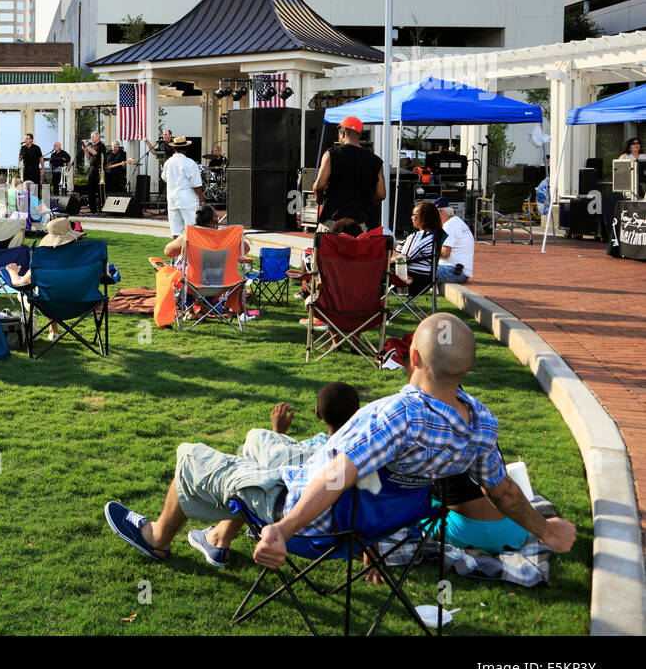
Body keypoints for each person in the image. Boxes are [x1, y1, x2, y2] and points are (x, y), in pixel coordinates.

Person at [105, 313, 577, 567]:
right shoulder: (479, 425)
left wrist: (282, 530)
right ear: (465, 368)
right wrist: (547, 530)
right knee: (257, 440)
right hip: (370, 525)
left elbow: (336, 474)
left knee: (190, 458)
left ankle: (156, 540)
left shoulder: (399, 415)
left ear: (412, 353)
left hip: (308, 518)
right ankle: (216, 540)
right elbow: (506, 492)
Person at [183, 383, 362, 566]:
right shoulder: (364, 456)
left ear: (317, 413)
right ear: (358, 413)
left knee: (254, 447)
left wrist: (276, 434)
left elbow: (278, 467)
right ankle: (221, 537)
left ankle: (220, 540)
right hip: (352, 535)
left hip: (299, 530)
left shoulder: (317, 454)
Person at [3, 217, 80, 340]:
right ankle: (53, 331)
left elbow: (20, 283)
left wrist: (13, 273)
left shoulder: (43, 260)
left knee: (26, 294)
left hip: (49, 304)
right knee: (54, 289)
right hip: (80, 302)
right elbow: (104, 275)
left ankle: (38, 327)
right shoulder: (85, 257)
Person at [313, 116, 386, 233]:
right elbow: (381, 194)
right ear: (359, 135)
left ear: (342, 133)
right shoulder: (376, 160)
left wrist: (319, 200)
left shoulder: (331, 154)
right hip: (358, 225)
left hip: (331, 222)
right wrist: (365, 203)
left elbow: (319, 186)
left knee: (325, 251)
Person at [160, 136, 204, 237]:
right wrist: (202, 199)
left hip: (172, 199)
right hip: (187, 200)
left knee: (175, 231)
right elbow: (196, 185)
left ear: (174, 148)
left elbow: (164, 178)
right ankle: (190, 252)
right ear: (186, 148)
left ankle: (177, 253)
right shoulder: (190, 163)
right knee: (192, 230)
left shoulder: (168, 163)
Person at [396, 200, 444, 285]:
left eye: (414, 215)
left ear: (424, 217)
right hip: (426, 282)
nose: (412, 218)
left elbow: (404, 258)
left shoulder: (417, 236)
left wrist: (385, 261)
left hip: (410, 280)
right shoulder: (434, 237)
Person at [436, 198, 474, 284]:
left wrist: (428, 251)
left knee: (419, 271)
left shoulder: (449, 226)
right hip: (457, 270)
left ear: (440, 211)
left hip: (453, 271)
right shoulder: (456, 221)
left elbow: (445, 254)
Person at [82, 131, 105, 213]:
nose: (91, 138)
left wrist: (87, 146)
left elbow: (95, 153)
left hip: (98, 169)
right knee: (90, 189)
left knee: (98, 189)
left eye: (93, 136)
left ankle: (100, 208)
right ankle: (92, 209)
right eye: (91, 136)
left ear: (98, 137)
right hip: (91, 168)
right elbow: (89, 158)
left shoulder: (101, 146)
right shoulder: (91, 146)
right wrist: (85, 150)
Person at [19, 134, 44, 198]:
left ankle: (36, 201)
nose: (25, 140)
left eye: (27, 138)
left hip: (35, 169)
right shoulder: (23, 148)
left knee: (35, 185)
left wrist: (43, 169)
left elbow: (41, 158)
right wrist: (20, 157)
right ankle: (26, 200)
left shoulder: (36, 148)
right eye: (25, 138)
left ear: (31, 140)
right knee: (26, 185)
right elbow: (20, 158)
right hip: (26, 170)